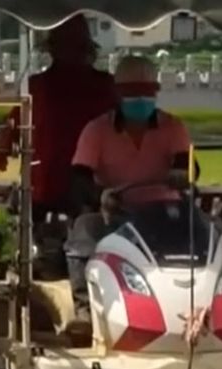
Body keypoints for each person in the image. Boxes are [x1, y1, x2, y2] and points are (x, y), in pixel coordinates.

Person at [64, 56, 196, 308]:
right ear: (118, 93)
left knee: (213, 228)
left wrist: (181, 174)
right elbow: (78, 179)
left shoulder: (173, 127)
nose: (140, 100)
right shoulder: (96, 130)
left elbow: (188, 165)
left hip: (167, 215)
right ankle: (84, 307)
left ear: (156, 93)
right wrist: (100, 196)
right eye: (132, 93)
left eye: (146, 93)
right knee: (83, 230)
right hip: (115, 215)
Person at [0, 15, 115, 214]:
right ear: (87, 49)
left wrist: (1, 149)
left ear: (52, 49)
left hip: (48, 188)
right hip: (93, 191)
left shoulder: (37, 87)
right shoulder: (108, 86)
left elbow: (9, 133)